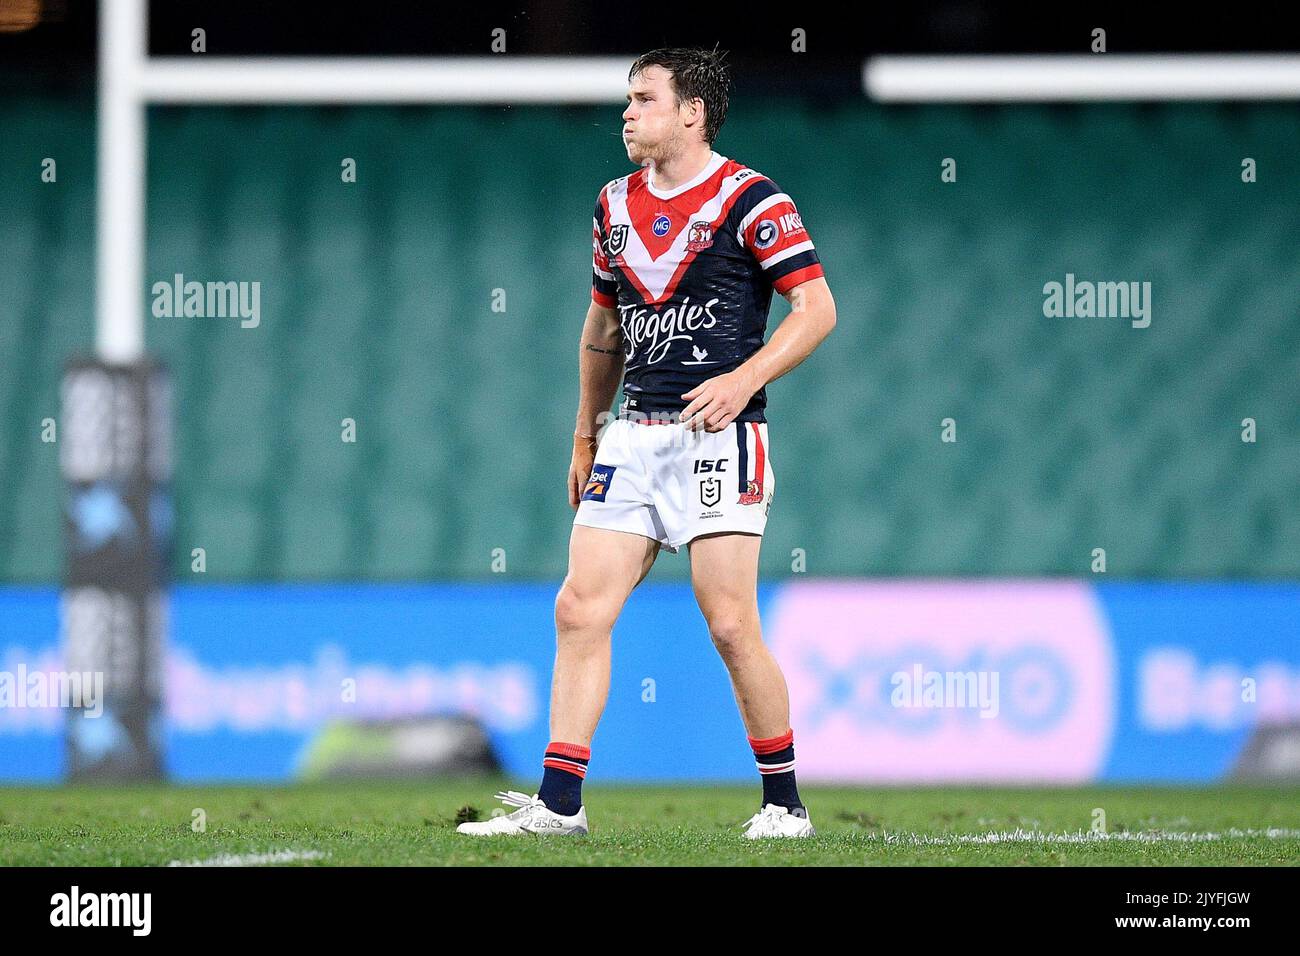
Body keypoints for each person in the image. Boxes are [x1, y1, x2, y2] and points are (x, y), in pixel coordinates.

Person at [457, 46, 836, 839]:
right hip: (633, 439)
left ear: (692, 113)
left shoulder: (752, 200)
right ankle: (560, 805)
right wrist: (585, 433)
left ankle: (784, 804)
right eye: (627, 100)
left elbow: (815, 309)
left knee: (730, 623)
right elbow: (603, 327)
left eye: (643, 99)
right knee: (577, 609)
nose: (626, 114)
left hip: (720, 438)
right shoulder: (612, 204)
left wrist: (742, 380)